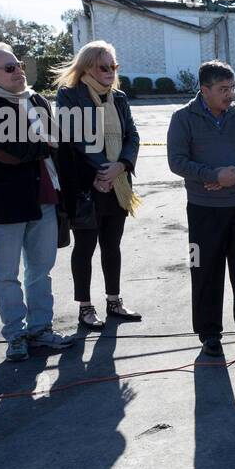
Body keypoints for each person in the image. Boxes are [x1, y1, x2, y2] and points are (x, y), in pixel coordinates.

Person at [0, 42, 73, 361]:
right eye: (10, 67)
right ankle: (16, 334)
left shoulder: (36, 99)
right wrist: (42, 144)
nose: (19, 70)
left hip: (45, 199)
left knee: (41, 270)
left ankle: (41, 329)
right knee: (6, 273)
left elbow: (54, 143)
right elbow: (6, 153)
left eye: (19, 64)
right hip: (3, 204)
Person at [166, 60, 235, 358]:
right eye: (223, 89)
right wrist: (213, 175)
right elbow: (177, 161)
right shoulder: (183, 118)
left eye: (232, 88)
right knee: (205, 271)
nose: (230, 95)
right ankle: (209, 333)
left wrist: (234, 174)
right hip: (203, 211)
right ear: (204, 89)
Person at [52, 40, 142, 330]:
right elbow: (74, 139)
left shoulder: (119, 98)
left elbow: (133, 136)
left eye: (114, 66)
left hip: (117, 184)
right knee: (85, 247)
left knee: (112, 246)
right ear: (87, 66)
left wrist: (121, 166)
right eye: (104, 66)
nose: (110, 71)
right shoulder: (69, 96)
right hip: (86, 185)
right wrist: (102, 171)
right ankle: (85, 307)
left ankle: (114, 301)